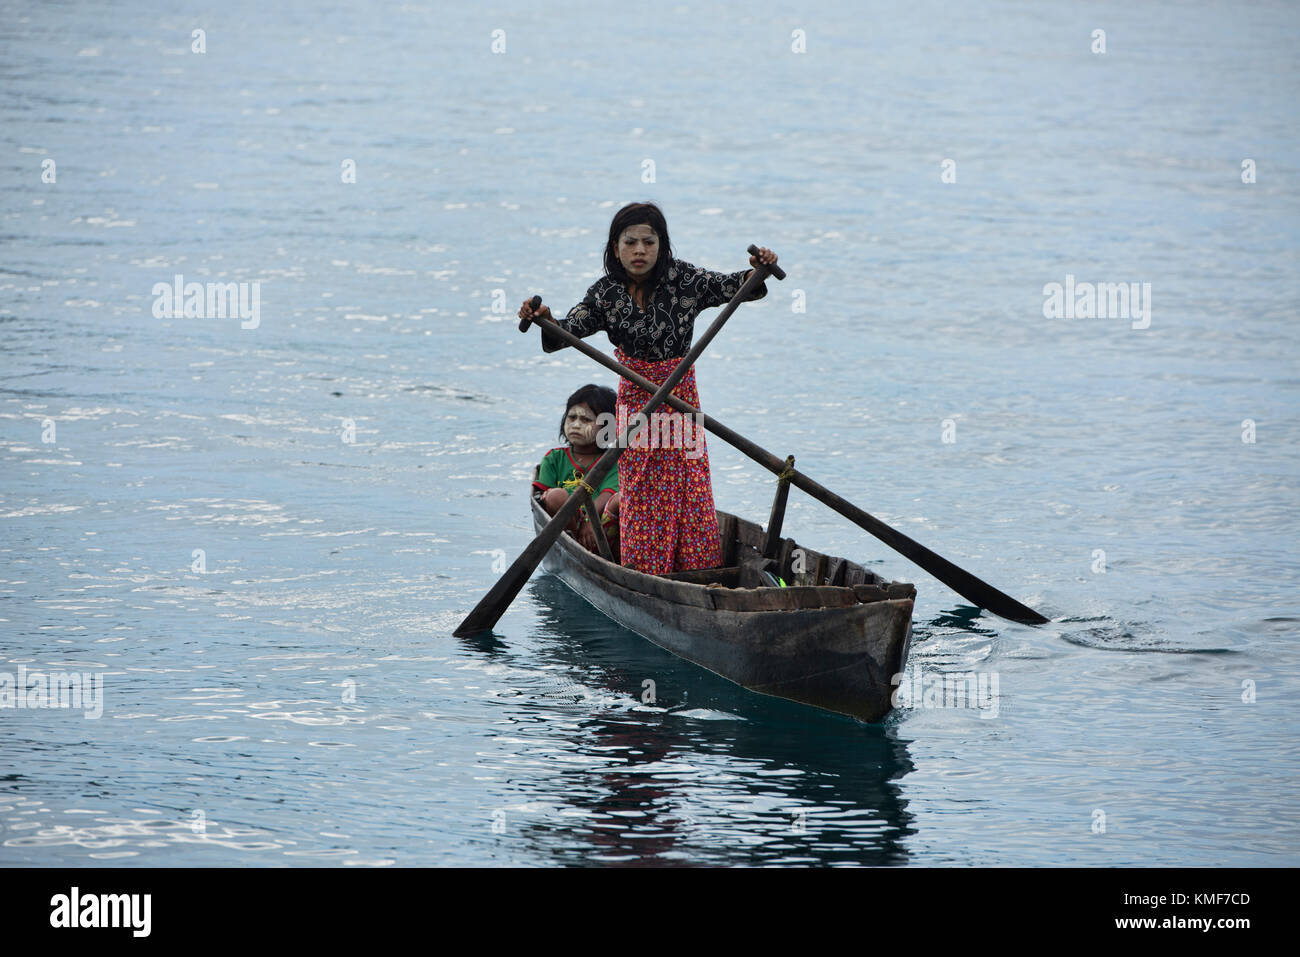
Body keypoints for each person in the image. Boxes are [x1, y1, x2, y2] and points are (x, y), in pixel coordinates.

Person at [518, 201, 777, 575]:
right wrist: (544, 320)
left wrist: (760, 270)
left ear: (662, 245)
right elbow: (564, 332)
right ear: (615, 247)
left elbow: (737, 287)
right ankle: (646, 570)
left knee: (689, 482)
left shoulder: (684, 280)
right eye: (630, 242)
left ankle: (696, 570)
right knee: (641, 487)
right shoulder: (605, 295)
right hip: (636, 403)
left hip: (680, 399)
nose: (640, 251)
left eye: (649, 242)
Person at [532, 384, 620, 557]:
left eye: (586, 420)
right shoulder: (554, 458)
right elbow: (542, 501)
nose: (576, 425)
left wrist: (590, 523)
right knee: (557, 496)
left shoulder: (612, 462)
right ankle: (573, 540)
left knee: (621, 499)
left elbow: (608, 495)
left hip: (599, 530)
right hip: (566, 526)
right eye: (571, 418)